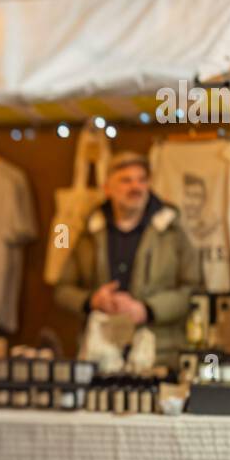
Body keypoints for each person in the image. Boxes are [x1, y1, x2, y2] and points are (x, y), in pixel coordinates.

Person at [54, 150, 202, 370]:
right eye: (126, 180)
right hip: (100, 355)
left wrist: (147, 309)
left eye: (142, 180)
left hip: (159, 356)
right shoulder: (87, 233)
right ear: (107, 188)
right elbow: (62, 290)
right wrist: (93, 301)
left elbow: (194, 289)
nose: (136, 187)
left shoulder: (173, 231)